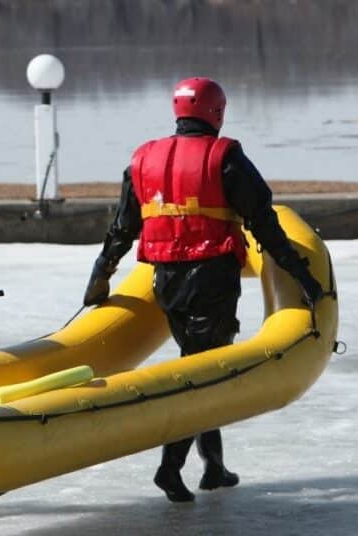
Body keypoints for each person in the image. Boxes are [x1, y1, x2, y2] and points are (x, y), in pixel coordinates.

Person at [81, 77, 324, 503]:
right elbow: (263, 223)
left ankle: (213, 466)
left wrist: (101, 272)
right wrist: (302, 276)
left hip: (165, 280)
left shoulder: (143, 159)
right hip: (210, 276)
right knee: (203, 372)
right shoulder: (224, 156)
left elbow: (122, 226)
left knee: (199, 361)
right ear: (216, 111)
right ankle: (170, 468)